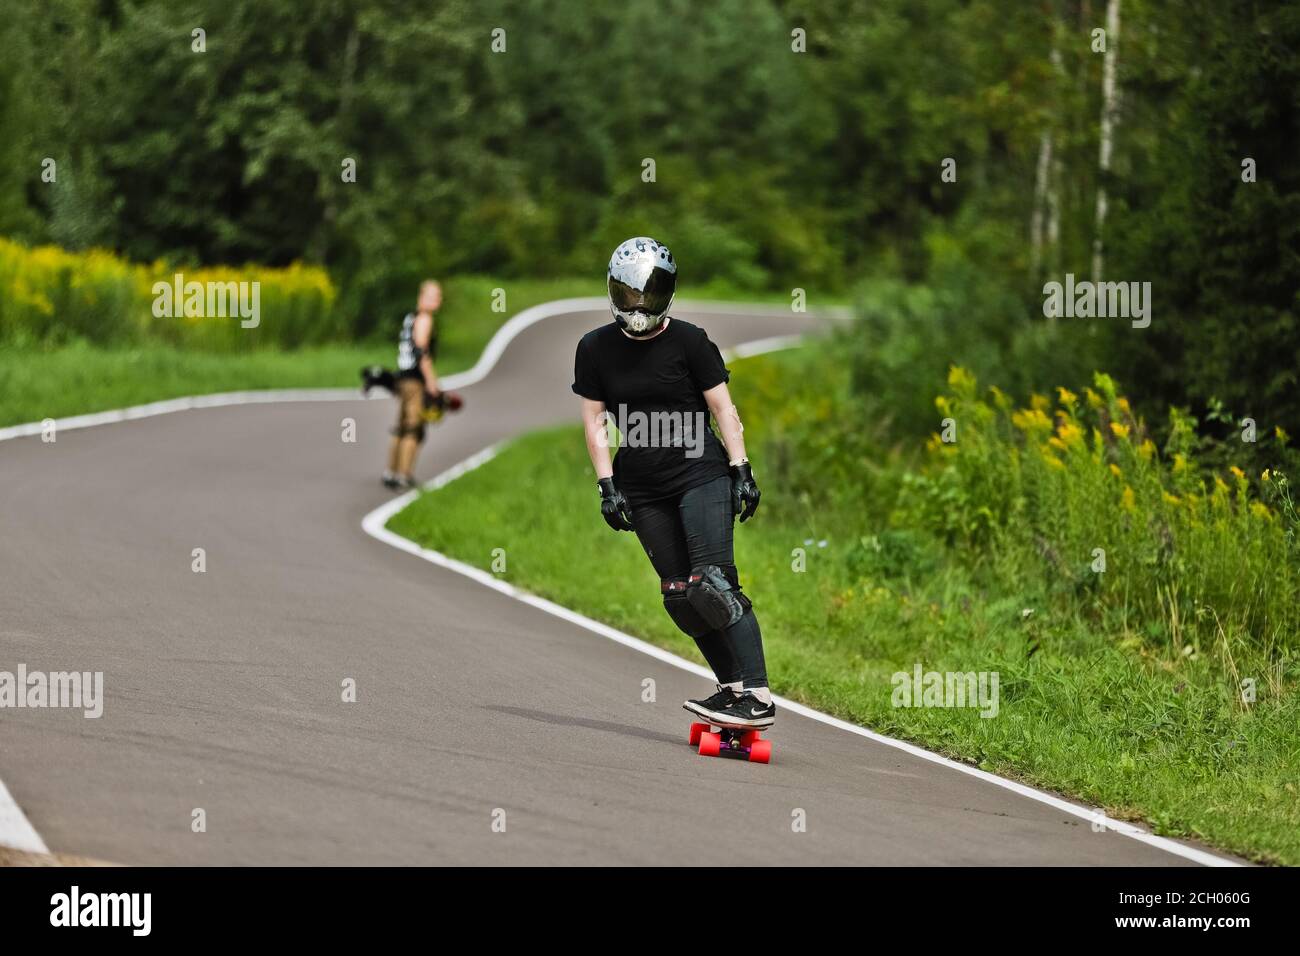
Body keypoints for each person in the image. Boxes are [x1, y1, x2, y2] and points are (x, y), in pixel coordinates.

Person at [571, 237, 774, 729]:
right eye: (630, 293)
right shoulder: (594, 348)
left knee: (714, 584)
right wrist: (606, 485)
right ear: (614, 292)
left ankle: (759, 696)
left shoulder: (689, 340)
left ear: (668, 292)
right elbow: (595, 422)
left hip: (700, 473)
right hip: (640, 487)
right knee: (681, 593)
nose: (638, 305)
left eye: (649, 293)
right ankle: (729, 690)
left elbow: (723, 408)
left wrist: (741, 468)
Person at [383, 280, 443, 490]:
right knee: (413, 427)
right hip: (415, 380)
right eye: (433, 296)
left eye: (439, 296)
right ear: (422, 297)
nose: (438, 300)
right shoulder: (424, 319)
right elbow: (421, 352)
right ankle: (404, 475)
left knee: (401, 426)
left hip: (403, 378)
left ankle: (391, 471)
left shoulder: (411, 317)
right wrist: (431, 382)